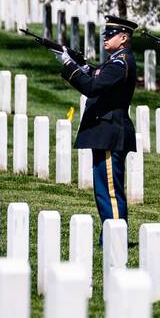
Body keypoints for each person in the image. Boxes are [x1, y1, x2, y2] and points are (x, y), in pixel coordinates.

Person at [56, 15, 138, 240]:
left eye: (110, 35)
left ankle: (115, 238)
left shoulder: (121, 63)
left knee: (110, 191)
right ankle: (111, 235)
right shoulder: (116, 61)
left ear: (123, 38)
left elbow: (93, 87)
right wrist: (82, 65)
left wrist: (70, 67)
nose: (106, 38)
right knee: (104, 190)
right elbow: (96, 75)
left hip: (110, 132)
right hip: (105, 131)